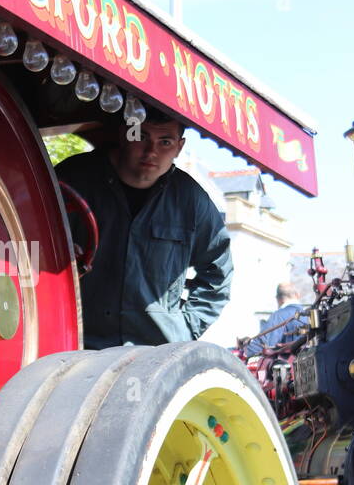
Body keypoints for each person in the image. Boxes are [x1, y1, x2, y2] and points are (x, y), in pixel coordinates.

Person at [56, 109, 232, 348]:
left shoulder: (192, 201)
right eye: (141, 136)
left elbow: (218, 271)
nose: (151, 151)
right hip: (75, 345)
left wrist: (187, 327)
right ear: (123, 134)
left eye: (165, 142)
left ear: (179, 147)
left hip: (154, 355)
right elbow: (30, 249)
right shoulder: (73, 178)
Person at [243, 282, 308, 357]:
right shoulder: (310, 315)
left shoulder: (278, 316)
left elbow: (261, 346)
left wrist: (245, 348)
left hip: (288, 366)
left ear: (278, 298)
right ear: (297, 295)